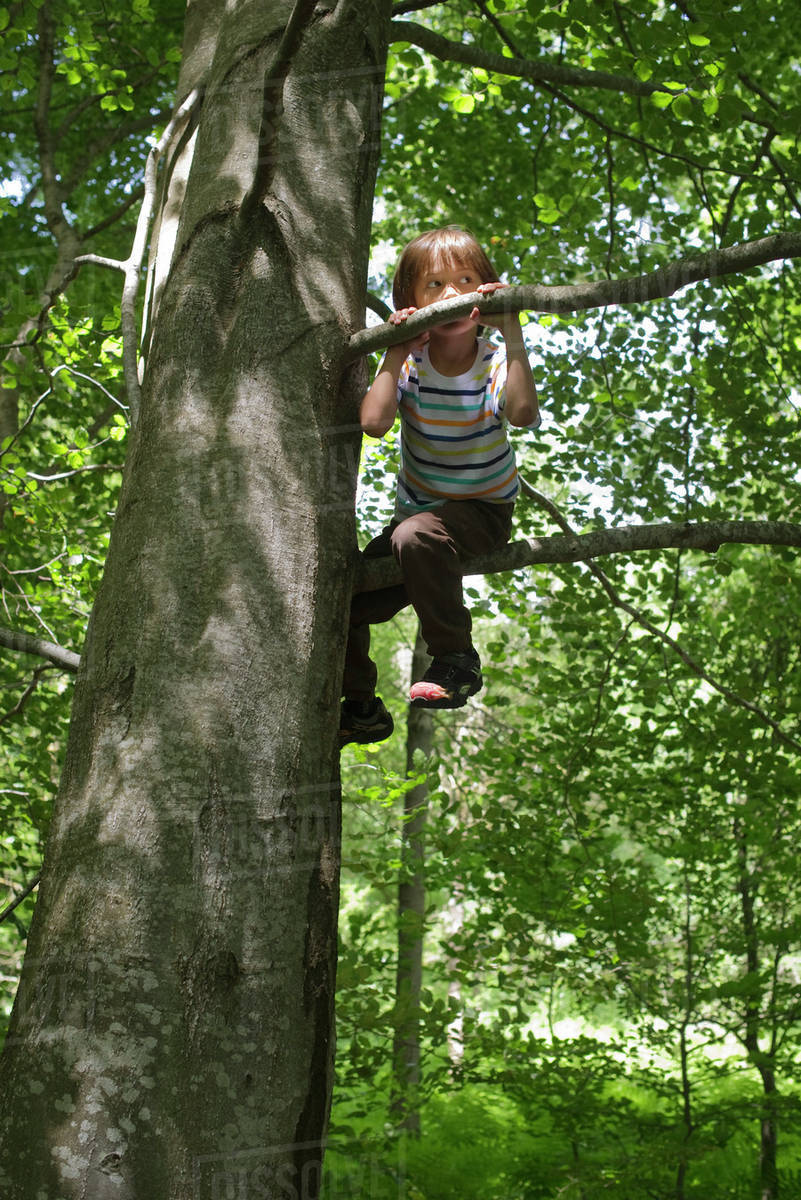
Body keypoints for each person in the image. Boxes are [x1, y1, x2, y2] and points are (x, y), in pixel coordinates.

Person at [340, 225, 540, 745]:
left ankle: (455, 658)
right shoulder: (413, 366)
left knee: (416, 537)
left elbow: (521, 414)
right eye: (433, 286)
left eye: (465, 280)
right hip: (419, 522)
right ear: (410, 301)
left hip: (481, 514)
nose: (450, 296)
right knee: (341, 600)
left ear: (485, 293)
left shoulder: (495, 361)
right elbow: (374, 422)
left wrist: (513, 330)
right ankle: (361, 705)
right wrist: (393, 351)